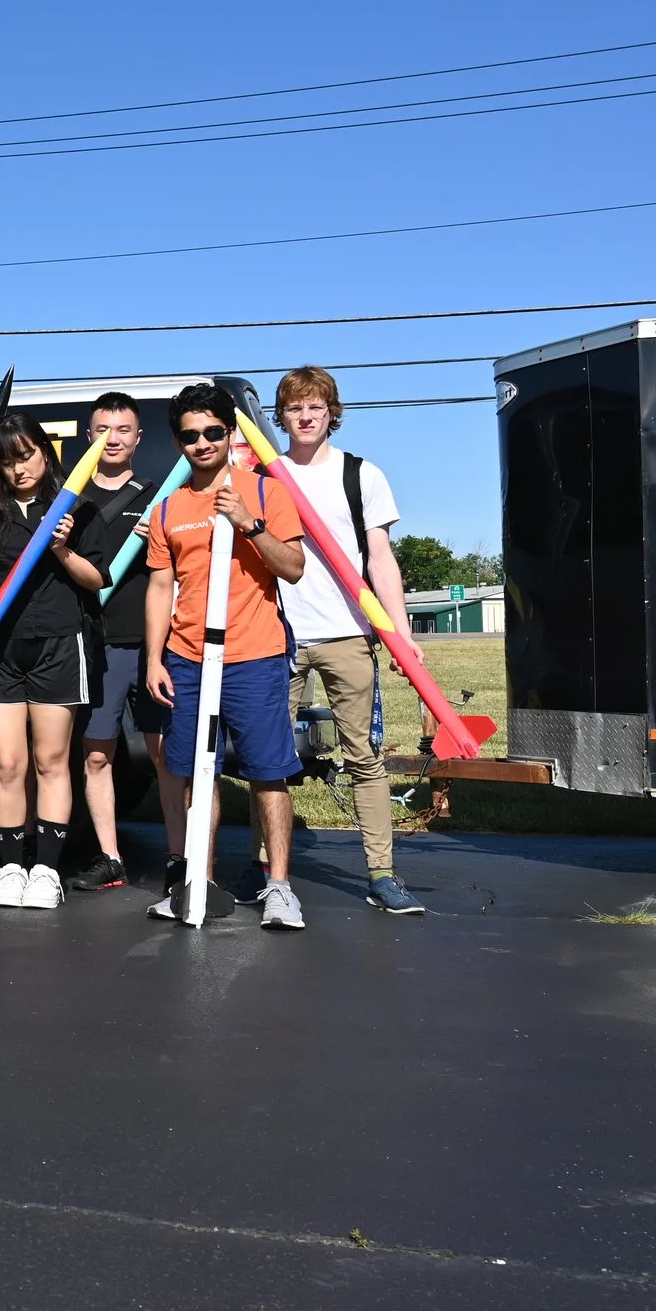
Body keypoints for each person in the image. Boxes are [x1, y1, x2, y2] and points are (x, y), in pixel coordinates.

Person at [143, 383, 309, 929]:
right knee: (197, 773)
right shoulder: (168, 509)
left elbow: (293, 566)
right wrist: (154, 659)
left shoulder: (266, 492)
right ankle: (198, 883)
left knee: (268, 774)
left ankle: (279, 888)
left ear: (229, 433)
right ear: (179, 443)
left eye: (213, 432)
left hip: (255, 654)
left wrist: (248, 522)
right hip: (188, 658)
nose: (203, 443)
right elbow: (160, 588)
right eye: (191, 436)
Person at [266, 366, 426, 915]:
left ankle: (382, 874)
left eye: (316, 406)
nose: (306, 416)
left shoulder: (362, 475)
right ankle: (271, 868)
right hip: (278, 637)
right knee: (269, 760)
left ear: (332, 412)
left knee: (364, 757)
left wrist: (401, 636)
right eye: (294, 408)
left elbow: (380, 558)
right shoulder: (267, 474)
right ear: (280, 416)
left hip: (348, 634)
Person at [0, 415, 105, 908]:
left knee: (51, 760)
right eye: (7, 460)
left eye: (26, 455)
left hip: (61, 646)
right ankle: (10, 869)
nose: (18, 468)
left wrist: (62, 548)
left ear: (45, 451)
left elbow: (96, 579)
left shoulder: (75, 509)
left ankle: (46, 869)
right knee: (6, 762)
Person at [72, 394, 168, 890]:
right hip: (96, 646)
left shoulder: (159, 498)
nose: (113, 437)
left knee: (163, 754)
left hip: (152, 644)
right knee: (95, 754)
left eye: (124, 429)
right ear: (90, 435)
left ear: (137, 438)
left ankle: (182, 858)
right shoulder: (69, 501)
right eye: (103, 428)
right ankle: (109, 857)